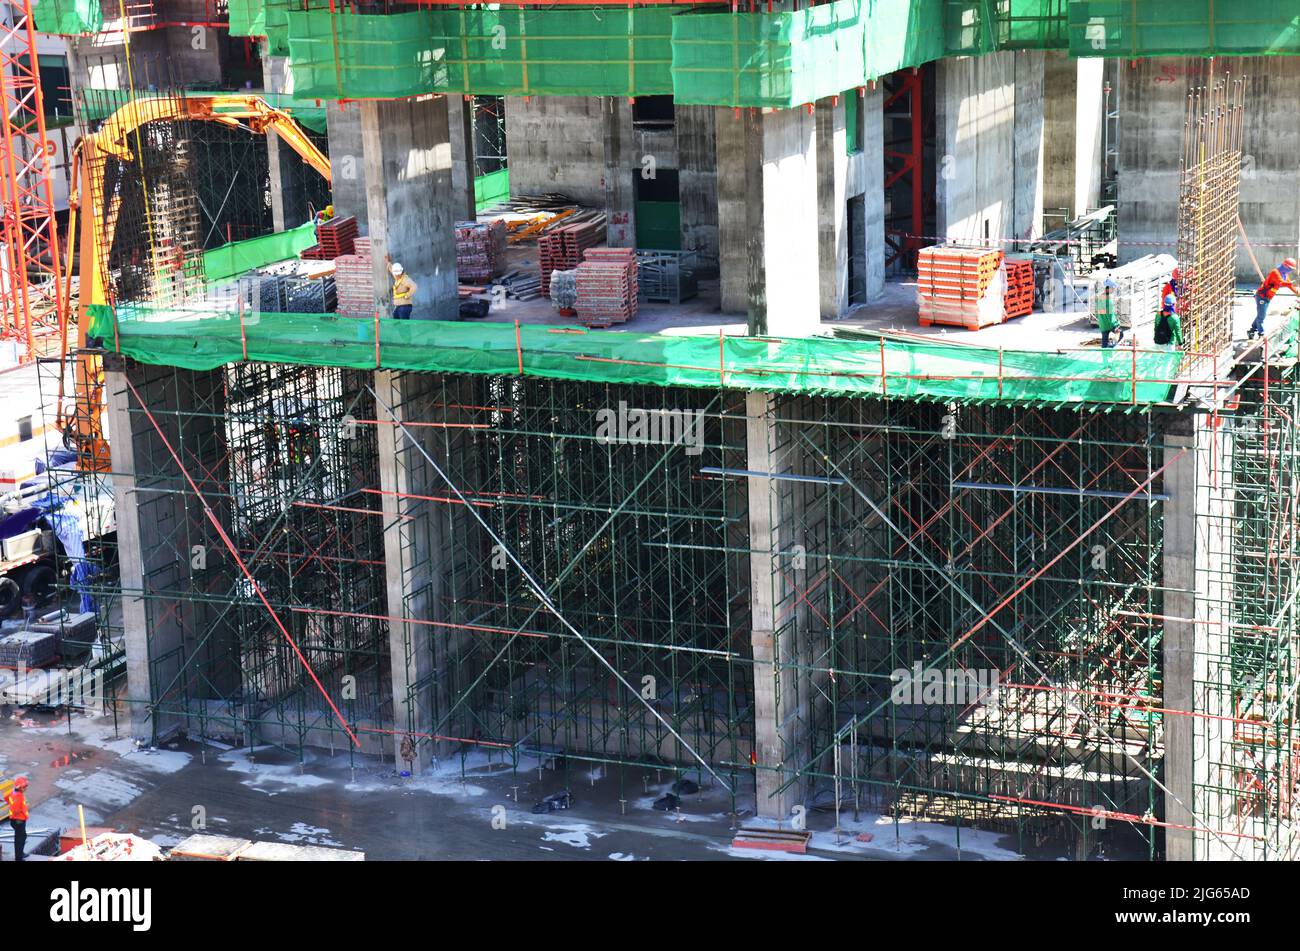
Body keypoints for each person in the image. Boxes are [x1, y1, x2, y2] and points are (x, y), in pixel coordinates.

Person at [1250, 258, 1297, 339]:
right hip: (1262, 296)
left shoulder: (1284, 274)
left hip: (1267, 297)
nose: (1290, 271)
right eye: (1290, 268)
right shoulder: (1275, 272)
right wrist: (1290, 283)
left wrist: (1297, 292)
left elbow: (1289, 285)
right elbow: (1281, 282)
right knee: (1262, 316)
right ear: (1285, 266)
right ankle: (1261, 334)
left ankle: (1252, 330)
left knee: (1261, 314)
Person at [4, 776, 29, 861]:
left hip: (15, 820)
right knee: (20, 839)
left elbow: (6, 798)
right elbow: (15, 809)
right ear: (20, 787)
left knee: (22, 837)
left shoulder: (13, 792)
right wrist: (22, 809)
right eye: (24, 786)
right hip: (19, 821)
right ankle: (19, 857)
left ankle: (20, 853)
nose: (26, 788)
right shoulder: (19, 796)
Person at [1097, 279, 1120, 348]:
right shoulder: (1108, 300)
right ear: (1108, 288)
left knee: (1104, 343)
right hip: (1109, 324)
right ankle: (1111, 346)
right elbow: (1110, 315)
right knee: (1120, 334)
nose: (1113, 290)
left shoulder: (1100, 297)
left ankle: (1104, 357)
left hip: (1103, 324)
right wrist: (1116, 324)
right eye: (1112, 288)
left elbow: (1101, 312)